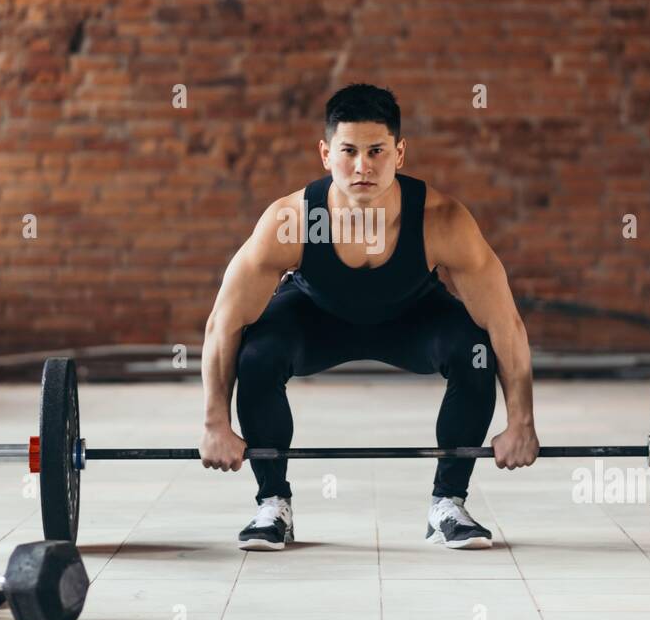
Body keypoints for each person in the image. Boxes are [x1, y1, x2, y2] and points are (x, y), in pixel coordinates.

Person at [200, 84, 539, 550]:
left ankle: (448, 504)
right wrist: (215, 423)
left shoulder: (441, 220)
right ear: (325, 154)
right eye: (349, 151)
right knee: (257, 354)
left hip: (412, 318)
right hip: (315, 318)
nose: (363, 166)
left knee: (475, 350)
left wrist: (521, 422)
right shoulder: (290, 221)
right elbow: (224, 323)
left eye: (377, 151)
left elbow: (506, 324)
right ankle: (272, 504)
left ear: (399, 153)